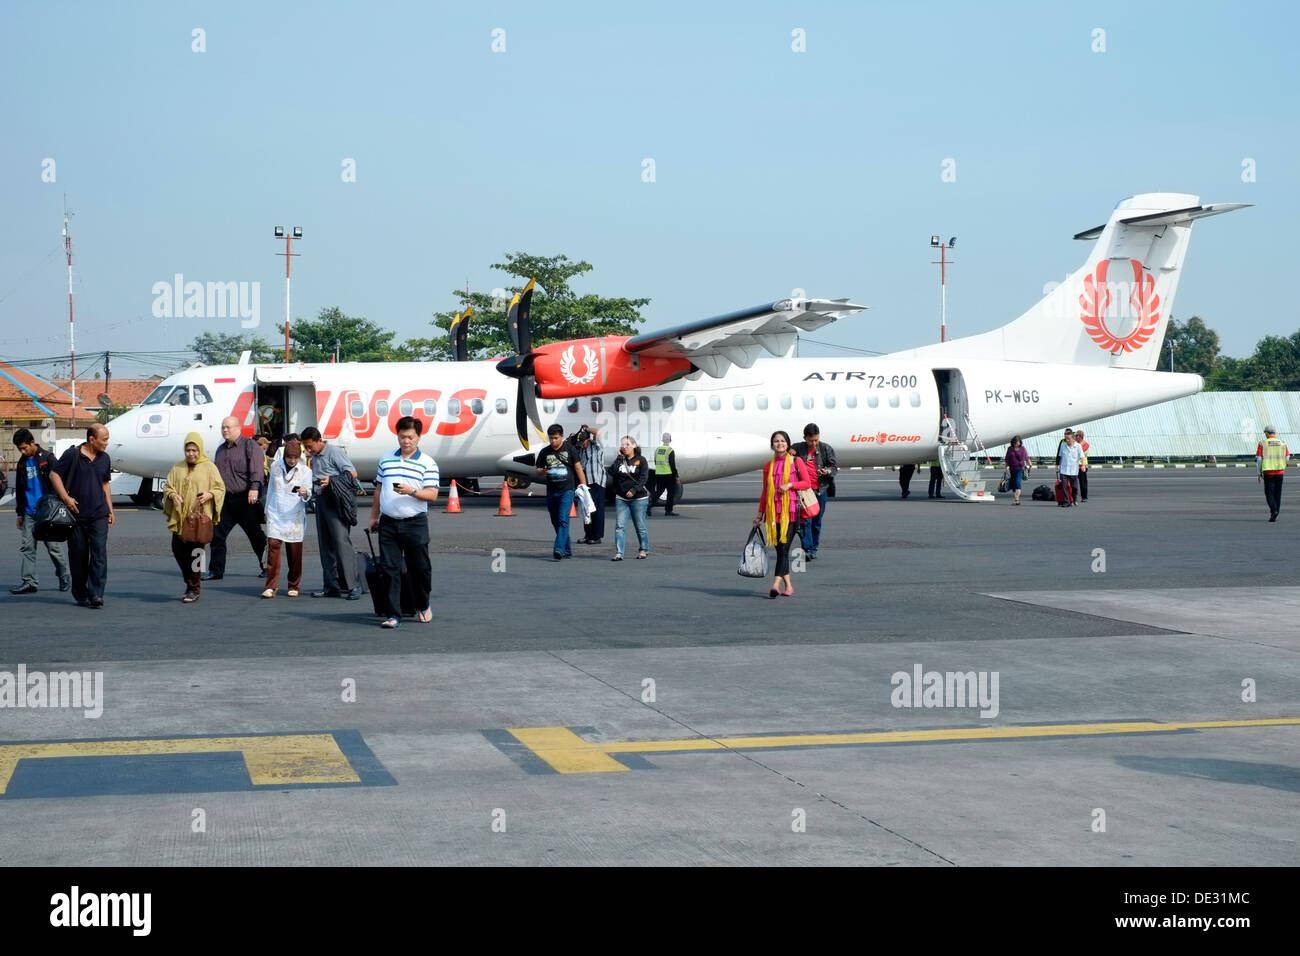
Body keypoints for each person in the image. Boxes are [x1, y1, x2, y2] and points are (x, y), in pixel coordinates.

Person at [368, 416, 440, 628]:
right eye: (402, 437)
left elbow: (433, 495)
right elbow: (379, 490)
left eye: (410, 437)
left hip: (415, 522)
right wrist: (374, 516)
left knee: (420, 569)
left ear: (419, 437)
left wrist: (412, 491)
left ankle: (423, 603)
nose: (406, 441)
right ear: (397, 436)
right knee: (390, 569)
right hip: (389, 523)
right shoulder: (386, 459)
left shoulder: (428, 462)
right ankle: (393, 614)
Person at [48, 424, 115, 608]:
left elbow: (105, 485)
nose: (107, 443)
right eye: (104, 439)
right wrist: (66, 498)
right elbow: (54, 475)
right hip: (76, 516)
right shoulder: (73, 455)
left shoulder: (105, 459)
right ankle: (80, 592)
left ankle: (96, 594)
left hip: (99, 514)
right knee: (78, 555)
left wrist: (110, 509)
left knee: (99, 553)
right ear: (91, 439)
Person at [162, 433, 225, 603]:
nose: (191, 454)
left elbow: (220, 488)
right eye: (188, 450)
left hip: (200, 518)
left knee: (197, 552)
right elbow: (168, 487)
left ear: (200, 450)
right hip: (181, 518)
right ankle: (190, 581)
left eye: (195, 450)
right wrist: (172, 495)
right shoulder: (178, 467)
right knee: (178, 549)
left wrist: (209, 494)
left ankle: (194, 588)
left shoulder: (209, 467)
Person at [301, 426, 364, 598]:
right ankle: (331, 586)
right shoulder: (314, 456)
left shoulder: (334, 452)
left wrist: (331, 480)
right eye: (306, 447)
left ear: (319, 441)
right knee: (325, 544)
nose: (308, 450)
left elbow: (352, 473)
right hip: (321, 500)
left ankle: (354, 586)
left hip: (336, 501)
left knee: (341, 542)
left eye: (310, 446)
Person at [10, 428, 71, 594]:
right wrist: (20, 514)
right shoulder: (22, 463)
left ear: (32, 442)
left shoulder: (48, 459)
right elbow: (21, 489)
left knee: (54, 549)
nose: (22, 451)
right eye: (19, 449)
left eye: (24, 447)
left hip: (48, 514)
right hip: (29, 512)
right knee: (27, 548)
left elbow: (60, 482)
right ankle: (29, 582)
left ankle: (64, 576)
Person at [206, 416, 267, 580]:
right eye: (223, 427)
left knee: (256, 536)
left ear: (238, 428)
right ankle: (216, 571)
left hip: (246, 499)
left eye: (228, 427)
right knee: (217, 535)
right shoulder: (220, 450)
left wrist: (254, 488)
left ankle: (268, 567)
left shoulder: (250, 446)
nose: (225, 430)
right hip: (226, 500)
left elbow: (257, 469)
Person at [754, 430, 812, 598]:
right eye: (776, 441)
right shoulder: (768, 466)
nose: (779, 444)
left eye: (782, 441)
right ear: (772, 445)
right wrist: (759, 514)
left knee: (784, 549)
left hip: (791, 512)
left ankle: (775, 585)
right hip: (773, 513)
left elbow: (806, 483)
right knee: (781, 551)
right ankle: (789, 586)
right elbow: (765, 492)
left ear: (788, 444)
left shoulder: (796, 461)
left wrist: (789, 485)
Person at [262, 434, 312, 599]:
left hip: (294, 515)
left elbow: (308, 494)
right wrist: (267, 510)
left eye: (295, 457)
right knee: (273, 549)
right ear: (284, 456)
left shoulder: (305, 470)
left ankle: (294, 584)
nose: (292, 461)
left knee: (294, 553)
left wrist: (305, 493)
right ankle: (271, 586)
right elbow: (270, 489)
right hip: (276, 512)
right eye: (289, 457)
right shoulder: (276, 466)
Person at [534, 424, 588, 560]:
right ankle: (567, 549)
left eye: (556, 438)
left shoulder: (570, 449)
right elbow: (538, 470)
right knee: (555, 521)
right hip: (552, 491)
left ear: (562, 437)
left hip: (567, 490)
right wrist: (542, 471)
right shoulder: (545, 452)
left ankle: (558, 549)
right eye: (551, 438)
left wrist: (584, 486)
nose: (553, 441)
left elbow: (578, 468)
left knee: (563, 520)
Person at [791, 423, 837, 559]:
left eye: (816, 439)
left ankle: (814, 548)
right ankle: (807, 549)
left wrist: (826, 471)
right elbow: (787, 453)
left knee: (817, 522)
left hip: (820, 490)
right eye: (811, 440)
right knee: (805, 521)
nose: (814, 443)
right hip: (805, 492)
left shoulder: (825, 448)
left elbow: (834, 467)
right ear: (805, 438)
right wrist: (790, 451)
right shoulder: (797, 448)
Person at [608, 436, 650, 560]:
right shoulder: (620, 460)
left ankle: (644, 549)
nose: (625, 447)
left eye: (627, 444)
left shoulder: (641, 460)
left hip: (638, 498)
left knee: (640, 526)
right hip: (621, 498)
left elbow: (643, 478)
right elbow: (611, 472)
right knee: (620, 526)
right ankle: (619, 553)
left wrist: (634, 490)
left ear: (634, 446)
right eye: (623, 445)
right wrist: (619, 458)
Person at [574, 425, 607, 545]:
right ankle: (588, 534)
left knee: (597, 510)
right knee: (586, 509)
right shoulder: (580, 450)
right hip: (585, 483)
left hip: (597, 481)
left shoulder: (596, 446)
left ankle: (597, 536)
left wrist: (586, 429)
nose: (581, 446)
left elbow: (598, 432)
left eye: (583, 443)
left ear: (588, 440)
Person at [1256, 425, 1289, 522]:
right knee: (1277, 493)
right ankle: (1276, 512)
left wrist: (1259, 472)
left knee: (1269, 493)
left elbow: (1259, 459)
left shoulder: (1262, 443)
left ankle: (1273, 510)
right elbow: (1287, 458)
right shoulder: (1282, 443)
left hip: (1268, 472)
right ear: (1274, 433)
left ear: (1267, 433)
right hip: (1280, 471)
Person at [650, 433, 681, 516]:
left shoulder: (657, 450)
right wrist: (676, 476)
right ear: (670, 440)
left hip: (659, 474)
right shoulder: (670, 450)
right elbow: (672, 465)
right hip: (669, 475)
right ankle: (668, 511)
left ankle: (648, 506)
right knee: (671, 493)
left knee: (659, 492)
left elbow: (656, 461)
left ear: (662, 440)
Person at [1057, 430, 1082, 506]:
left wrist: (1083, 465)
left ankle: (1074, 499)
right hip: (1064, 470)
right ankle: (1067, 501)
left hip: (1073, 470)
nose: (1067, 440)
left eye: (1068, 439)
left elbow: (1082, 457)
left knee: (1074, 487)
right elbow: (1060, 456)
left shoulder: (1078, 446)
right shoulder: (1063, 445)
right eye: (1066, 439)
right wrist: (1057, 465)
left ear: (1073, 439)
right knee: (1065, 487)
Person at [1004, 436, 1030, 506]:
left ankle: (1016, 500)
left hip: (1020, 468)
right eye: (1015, 442)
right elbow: (1007, 458)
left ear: (1020, 442)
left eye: (1018, 442)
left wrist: (1030, 464)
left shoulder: (1022, 449)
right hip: (1012, 469)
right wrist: (1006, 467)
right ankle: (1016, 498)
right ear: (1013, 442)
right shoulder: (1010, 449)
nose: (1017, 444)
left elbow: (1026, 457)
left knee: (1017, 482)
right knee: (1013, 484)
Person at [1075, 429, 1090, 502]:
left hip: (1082, 466)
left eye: (1076, 435)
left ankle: (1084, 497)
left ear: (1080, 436)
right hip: (1075, 466)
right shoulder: (1075, 443)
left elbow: (1079, 451)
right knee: (1073, 483)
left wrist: (1078, 445)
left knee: (1083, 483)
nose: (1075, 437)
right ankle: (1073, 496)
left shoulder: (1085, 444)